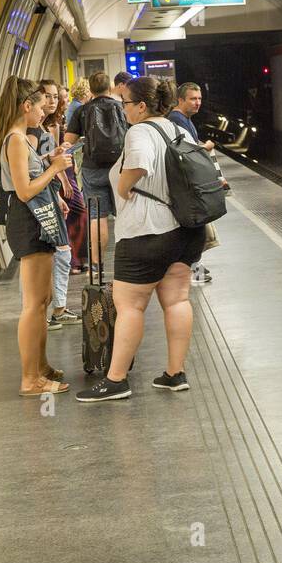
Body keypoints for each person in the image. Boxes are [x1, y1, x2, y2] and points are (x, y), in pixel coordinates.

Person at [76, 76, 203, 401]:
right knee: (176, 300)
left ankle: (116, 379)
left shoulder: (141, 132)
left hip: (147, 233)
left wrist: (122, 185)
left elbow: (141, 165)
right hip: (185, 231)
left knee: (130, 305)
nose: (123, 109)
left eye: (126, 104)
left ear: (142, 106)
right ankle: (175, 374)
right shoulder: (178, 128)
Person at [0, 76, 72, 396]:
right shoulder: (15, 139)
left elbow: (29, 176)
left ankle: (40, 365)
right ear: (26, 106)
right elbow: (24, 191)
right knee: (33, 304)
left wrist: (49, 163)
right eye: (39, 107)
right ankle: (30, 378)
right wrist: (54, 170)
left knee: (43, 300)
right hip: (28, 222)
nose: (44, 113)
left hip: (37, 219)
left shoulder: (22, 139)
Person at [64, 71, 125, 270]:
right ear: (110, 88)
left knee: (97, 217)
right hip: (119, 168)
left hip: (92, 170)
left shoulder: (83, 111)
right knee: (124, 214)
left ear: (90, 89)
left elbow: (68, 142)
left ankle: (97, 264)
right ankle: (126, 260)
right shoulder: (121, 107)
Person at [166, 81, 224, 284]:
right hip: (187, 186)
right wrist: (205, 148)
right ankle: (192, 272)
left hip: (190, 185)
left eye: (199, 99)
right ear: (180, 100)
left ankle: (194, 269)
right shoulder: (177, 119)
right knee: (195, 231)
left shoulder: (185, 119)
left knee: (196, 231)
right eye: (192, 99)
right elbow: (187, 152)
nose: (197, 103)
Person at [35, 79, 79, 327]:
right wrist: (60, 177)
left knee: (59, 253)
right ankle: (52, 310)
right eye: (46, 98)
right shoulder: (29, 134)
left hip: (49, 194)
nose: (51, 102)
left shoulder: (44, 128)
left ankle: (57, 307)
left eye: (54, 97)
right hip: (41, 197)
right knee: (58, 253)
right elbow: (35, 169)